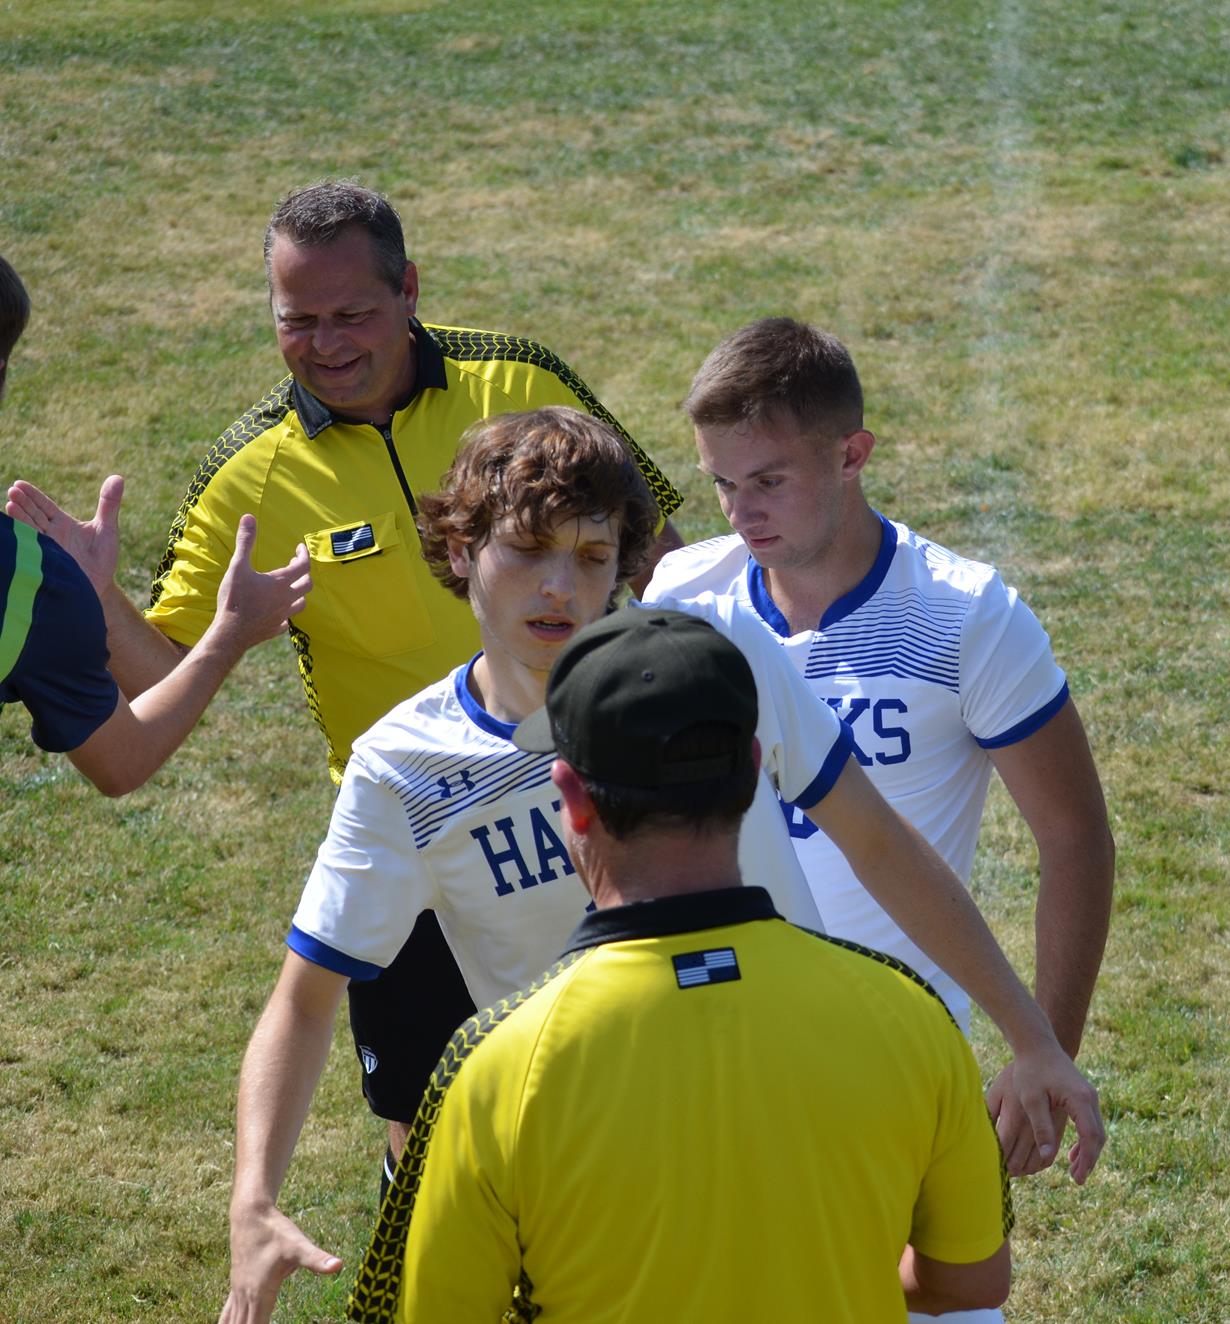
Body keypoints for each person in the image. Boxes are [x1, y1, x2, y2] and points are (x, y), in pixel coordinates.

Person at [223, 408, 1097, 1324]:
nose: (561, 587)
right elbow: (305, 995)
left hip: (784, 1092)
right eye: (528, 550)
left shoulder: (716, 669)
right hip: (596, 1143)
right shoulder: (406, 767)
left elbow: (876, 841)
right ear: (458, 551)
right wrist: (254, 1199)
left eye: (593, 557)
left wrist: (1032, 1037)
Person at [7, 183, 684, 1174]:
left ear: (407, 291)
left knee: (644, 1079)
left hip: (593, 802)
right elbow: (163, 673)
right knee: (433, 1123)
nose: (326, 344)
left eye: (353, 314)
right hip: (412, 829)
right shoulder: (252, 473)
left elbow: (661, 551)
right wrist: (100, 598)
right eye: (298, 322)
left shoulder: (517, 379)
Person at [346, 609, 1011, 1322]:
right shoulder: (909, 1014)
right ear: (753, 772)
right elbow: (970, 1281)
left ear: (570, 797)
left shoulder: (490, 1067)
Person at [646, 318, 1115, 1196]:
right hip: (713, 1038)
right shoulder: (682, 599)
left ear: (852, 454)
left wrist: (1043, 1049)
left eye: (769, 481)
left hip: (895, 1053)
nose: (742, 512)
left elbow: (1074, 836)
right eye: (721, 483)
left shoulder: (966, 613)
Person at [1, 254, 310, 795]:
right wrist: (231, 632)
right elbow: (123, 760)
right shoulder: (20, 581)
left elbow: (157, 685)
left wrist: (93, 598)